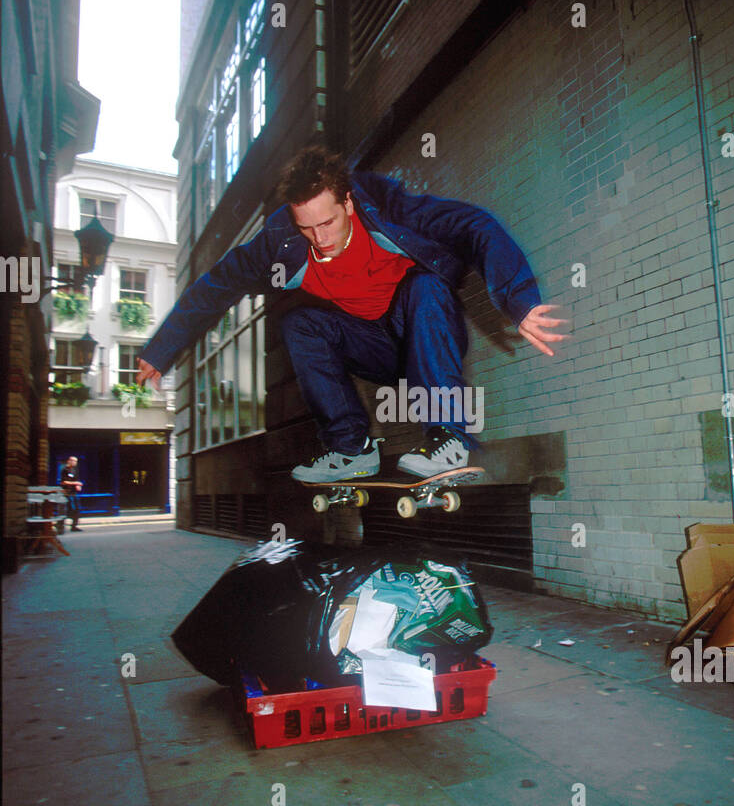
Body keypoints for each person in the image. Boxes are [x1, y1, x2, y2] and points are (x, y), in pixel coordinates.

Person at [136, 146, 565, 481]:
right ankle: (351, 449)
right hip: (373, 348)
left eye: (328, 224)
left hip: (426, 332)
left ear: (348, 204)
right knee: (299, 324)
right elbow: (215, 287)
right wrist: (161, 348)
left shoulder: (388, 206)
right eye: (307, 227)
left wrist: (519, 300)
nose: (319, 239)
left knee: (425, 285)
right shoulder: (280, 243)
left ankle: (450, 437)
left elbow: (475, 225)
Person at [59, 456, 83, 530]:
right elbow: (63, 482)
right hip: (66, 493)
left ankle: (74, 526)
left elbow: (77, 481)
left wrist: (78, 485)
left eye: (76, 461)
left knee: (77, 508)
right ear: (69, 461)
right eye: (73, 461)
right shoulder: (64, 470)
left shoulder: (74, 470)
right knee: (65, 510)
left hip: (74, 492)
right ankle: (60, 526)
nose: (75, 463)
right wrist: (76, 483)